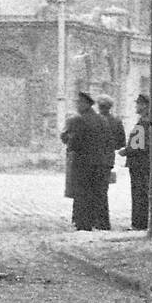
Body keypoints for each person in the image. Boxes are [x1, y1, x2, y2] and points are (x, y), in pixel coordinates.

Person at [60, 91, 103, 230]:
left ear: (85, 104)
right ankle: (90, 221)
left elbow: (74, 141)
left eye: (79, 102)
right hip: (96, 161)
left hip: (81, 161)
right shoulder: (100, 119)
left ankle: (82, 223)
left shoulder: (78, 120)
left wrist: (67, 139)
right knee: (91, 191)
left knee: (81, 192)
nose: (77, 105)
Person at [120, 93, 152, 230]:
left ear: (144, 105)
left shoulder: (143, 123)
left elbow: (137, 145)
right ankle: (140, 223)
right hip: (142, 163)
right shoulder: (146, 121)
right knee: (141, 193)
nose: (136, 106)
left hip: (138, 164)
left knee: (139, 194)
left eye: (138, 104)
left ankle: (139, 223)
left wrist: (125, 151)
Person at [94, 96, 125, 230]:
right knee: (102, 190)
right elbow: (121, 143)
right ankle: (103, 222)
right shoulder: (117, 121)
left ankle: (99, 221)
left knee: (95, 190)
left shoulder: (95, 120)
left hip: (94, 159)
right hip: (107, 159)